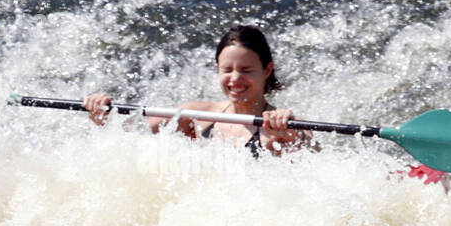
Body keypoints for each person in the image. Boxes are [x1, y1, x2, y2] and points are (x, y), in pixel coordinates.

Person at [83, 25, 315, 156]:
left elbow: (313, 154)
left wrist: (288, 131)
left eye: (246, 70)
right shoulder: (194, 116)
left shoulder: (286, 123)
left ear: (266, 70)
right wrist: (104, 116)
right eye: (227, 69)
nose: (235, 79)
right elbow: (133, 133)